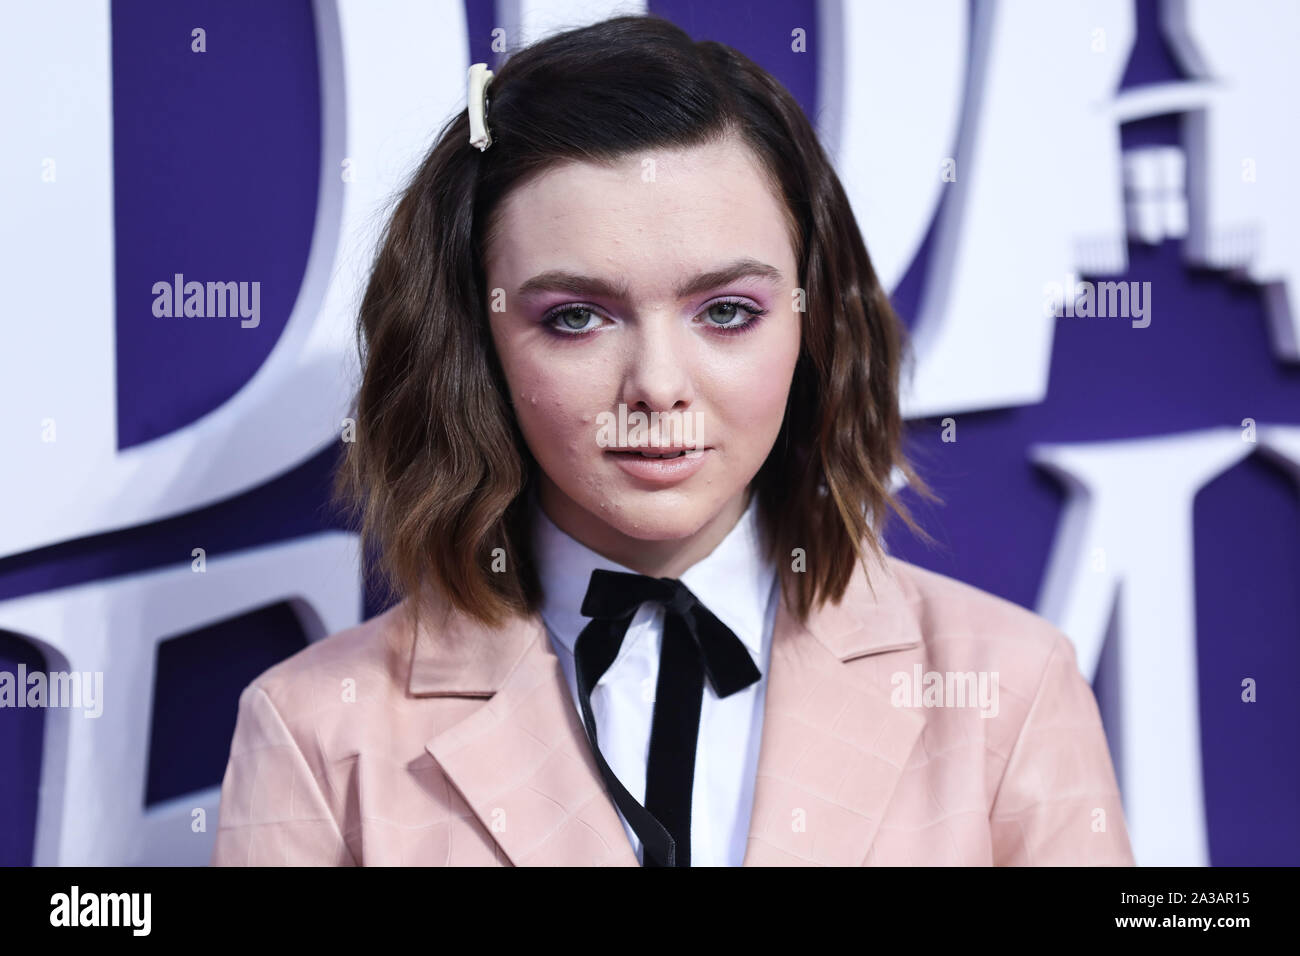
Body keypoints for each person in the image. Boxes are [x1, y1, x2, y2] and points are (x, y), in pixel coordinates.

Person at [210, 14, 1134, 866]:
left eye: (727, 311)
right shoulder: (316, 733)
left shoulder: (1010, 686)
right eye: (576, 318)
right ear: (473, 342)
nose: (657, 384)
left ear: (813, 323)